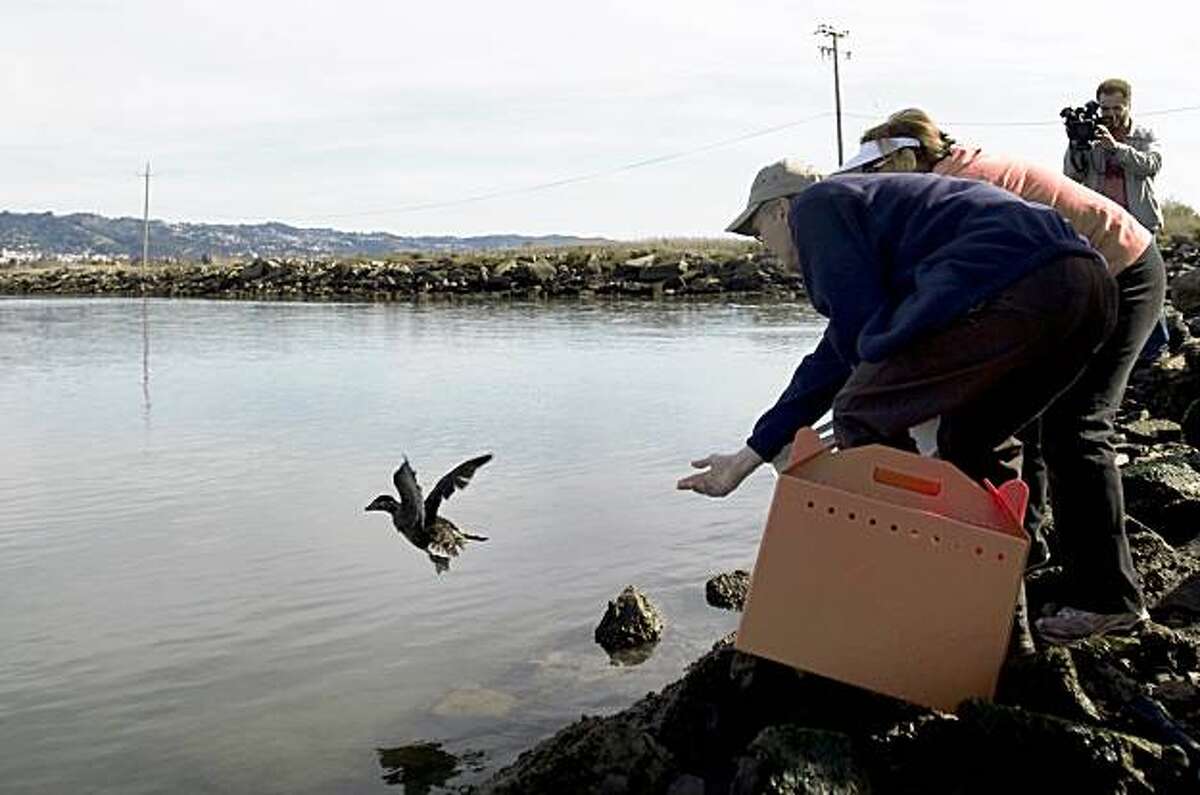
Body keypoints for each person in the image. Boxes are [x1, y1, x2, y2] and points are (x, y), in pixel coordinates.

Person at [839, 108, 1159, 643]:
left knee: (1075, 429)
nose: (876, 194)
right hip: (1061, 287)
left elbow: (950, 300)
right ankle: (1022, 552)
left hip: (1119, 273)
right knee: (1024, 422)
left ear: (904, 158)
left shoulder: (965, 185)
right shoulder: (943, 185)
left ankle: (1111, 599)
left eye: (878, 178)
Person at [679, 161, 1116, 537]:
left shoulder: (816, 207)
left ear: (780, 211)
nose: (766, 252)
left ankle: (903, 562)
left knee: (861, 412)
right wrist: (747, 458)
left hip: (1020, 283)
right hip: (1089, 290)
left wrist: (889, 419)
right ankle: (997, 586)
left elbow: (861, 351)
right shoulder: (876, 222)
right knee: (966, 439)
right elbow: (839, 353)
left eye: (759, 235)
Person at [1065, 78, 1167, 359]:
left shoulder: (1143, 135)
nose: (1110, 114)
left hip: (1139, 222)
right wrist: (1077, 144)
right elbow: (1072, 174)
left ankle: (1156, 347)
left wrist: (1115, 148)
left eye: (1116, 108)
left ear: (1128, 106)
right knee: (1105, 283)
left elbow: (1151, 165)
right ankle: (1110, 345)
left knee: (1145, 283)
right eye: (1104, 108)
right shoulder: (1090, 133)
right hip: (1103, 223)